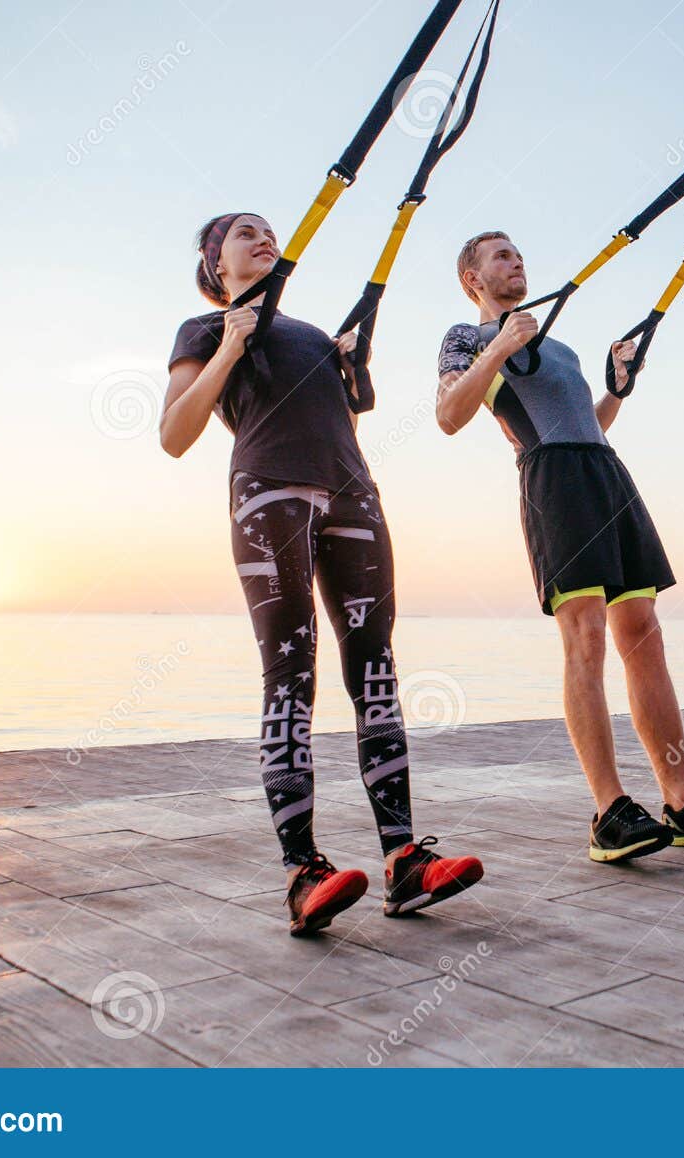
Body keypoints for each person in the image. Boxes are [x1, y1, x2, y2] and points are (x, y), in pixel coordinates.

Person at [161, 212, 483, 935]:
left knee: (376, 670)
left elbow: (342, 421)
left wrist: (348, 362)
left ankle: (404, 860)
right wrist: (230, 346)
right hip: (268, 494)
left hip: (352, 493)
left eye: (268, 231)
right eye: (244, 233)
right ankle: (302, 872)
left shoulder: (310, 333)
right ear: (215, 264)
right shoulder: (204, 328)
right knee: (291, 673)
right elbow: (174, 435)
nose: (263, 238)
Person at [437, 230, 684, 862]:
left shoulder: (558, 346)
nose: (517, 260)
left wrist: (616, 388)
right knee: (585, 634)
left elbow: (586, 422)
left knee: (644, 632)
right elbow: (449, 414)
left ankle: (682, 799)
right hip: (552, 481)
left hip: (606, 472)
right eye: (502, 255)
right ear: (472, 279)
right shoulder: (465, 337)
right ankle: (609, 810)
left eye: (519, 252)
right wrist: (500, 345)